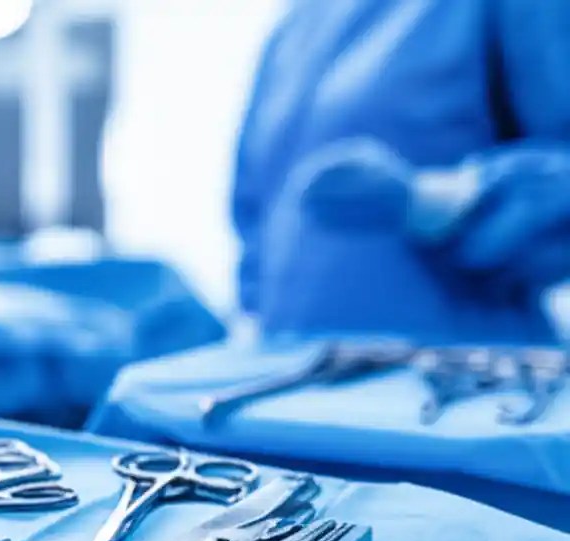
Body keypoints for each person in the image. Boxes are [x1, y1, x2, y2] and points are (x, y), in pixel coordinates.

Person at [234, 0, 570, 343]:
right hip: (296, 360)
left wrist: (444, 200)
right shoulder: (296, 25)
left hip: (459, 359)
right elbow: (253, 217)